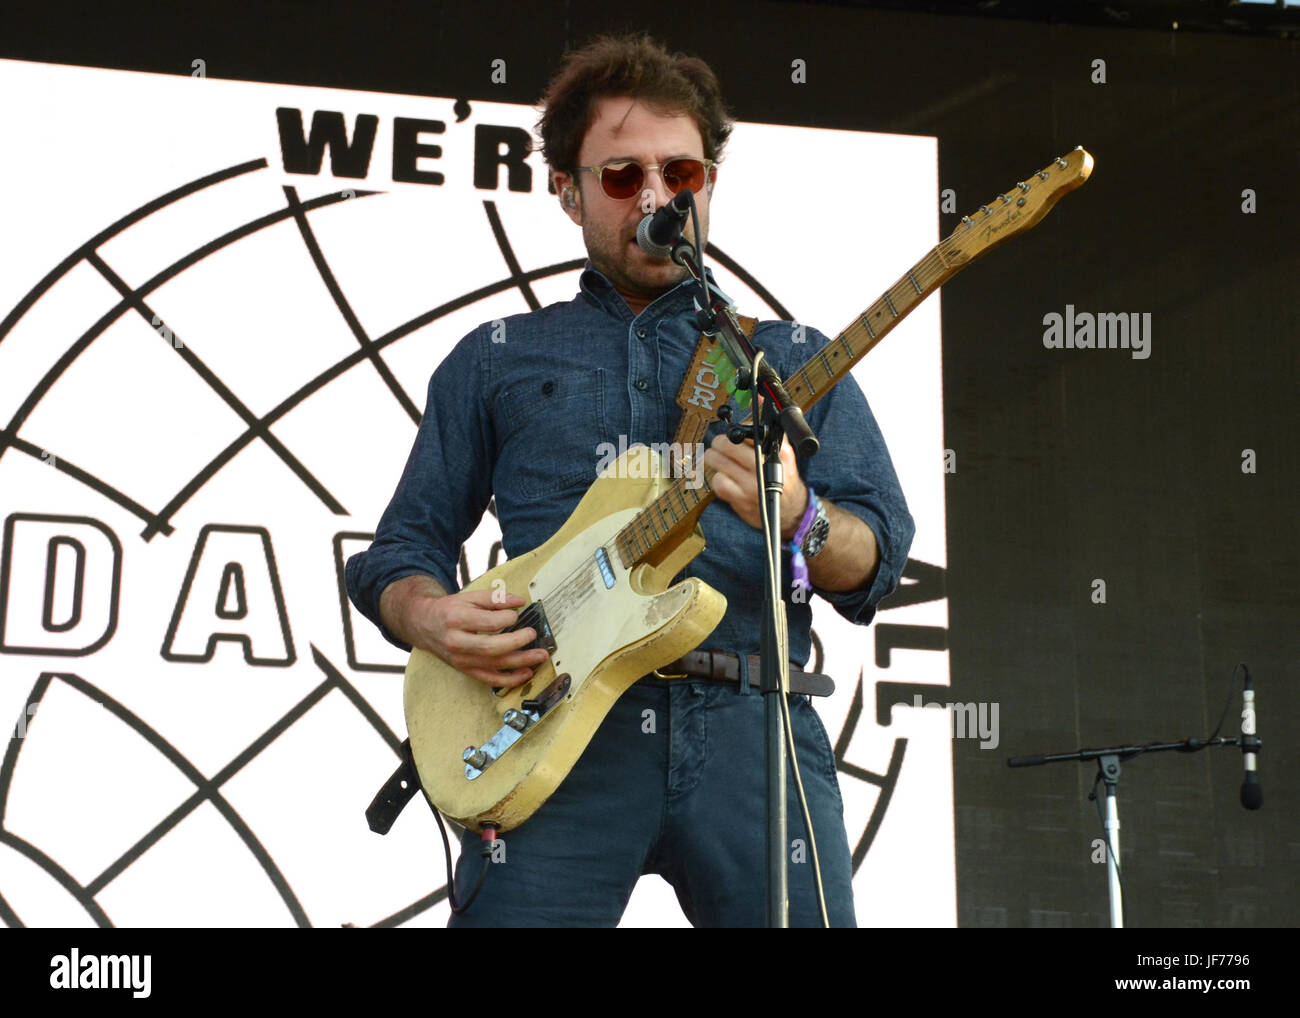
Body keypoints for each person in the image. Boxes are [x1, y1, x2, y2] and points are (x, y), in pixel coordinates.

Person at [345, 33, 914, 927]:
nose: (656, 197)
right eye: (621, 177)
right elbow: (399, 551)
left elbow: (875, 560)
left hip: (753, 728)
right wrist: (430, 616)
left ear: (708, 186)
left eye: (679, 174)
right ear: (567, 193)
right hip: (554, 730)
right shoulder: (496, 360)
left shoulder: (787, 360)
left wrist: (799, 516)